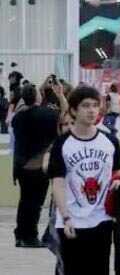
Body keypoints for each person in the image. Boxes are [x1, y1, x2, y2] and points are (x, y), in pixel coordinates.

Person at [48, 86, 120, 275]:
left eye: (95, 105)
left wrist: (118, 181)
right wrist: (66, 217)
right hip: (71, 220)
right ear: (74, 110)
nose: (91, 110)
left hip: (101, 219)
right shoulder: (62, 143)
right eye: (85, 106)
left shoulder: (110, 141)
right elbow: (57, 183)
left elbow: (119, 171)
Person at [11, 83, 59, 248]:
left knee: (24, 201)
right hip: (39, 164)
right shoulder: (48, 114)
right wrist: (58, 94)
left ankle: (20, 235)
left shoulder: (18, 117)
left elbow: (22, 107)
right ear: (38, 96)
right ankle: (31, 236)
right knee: (35, 203)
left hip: (21, 165)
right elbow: (62, 119)